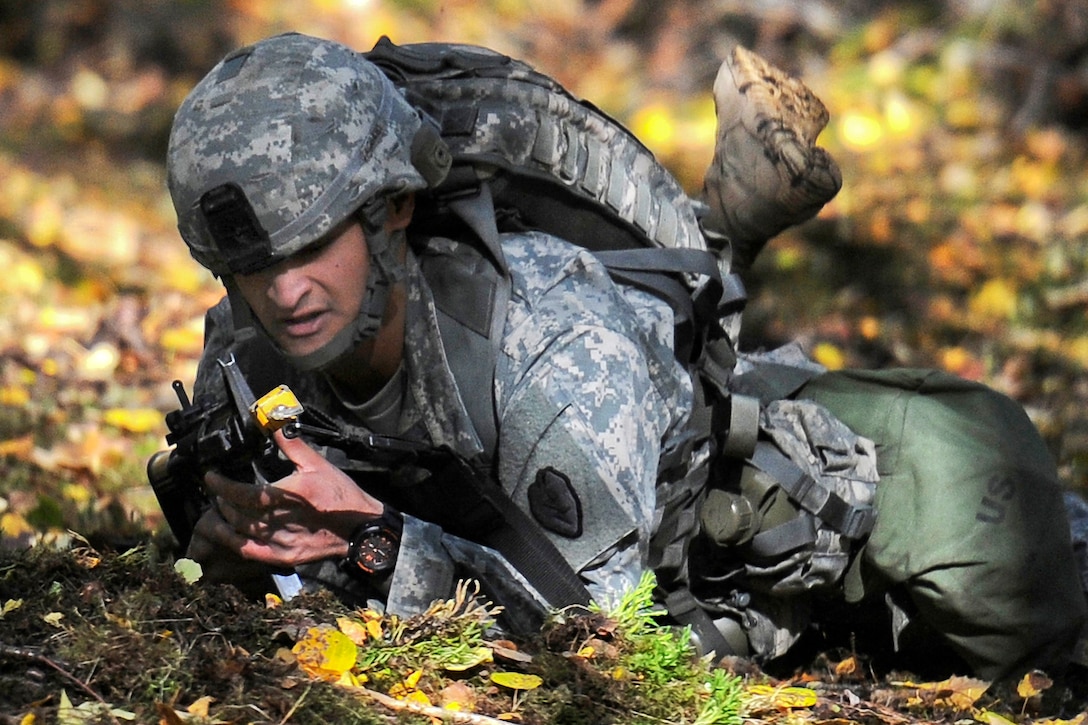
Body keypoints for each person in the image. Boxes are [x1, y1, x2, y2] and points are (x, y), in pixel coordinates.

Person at [163, 31, 1087, 680]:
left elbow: (607, 648)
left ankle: (713, 252)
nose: (285, 291)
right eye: (252, 263)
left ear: (391, 208)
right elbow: (267, 568)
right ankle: (718, 237)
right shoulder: (247, 360)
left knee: (1020, 598)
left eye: (314, 241)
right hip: (608, 468)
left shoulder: (544, 338)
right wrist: (232, 552)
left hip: (789, 518)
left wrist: (370, 545)